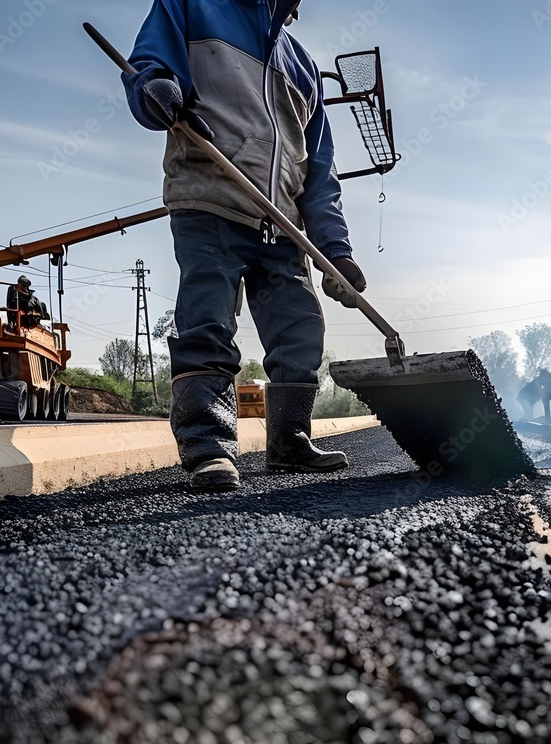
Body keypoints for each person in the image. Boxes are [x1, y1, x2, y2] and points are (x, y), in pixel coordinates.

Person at [123, 0, 367, 492]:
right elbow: (148, 69)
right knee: (208, 322)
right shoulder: (193, 8)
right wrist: (156, 90)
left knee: (300, 330)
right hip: (210, 196)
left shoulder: (303, 68)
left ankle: (290, 440)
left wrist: (335, 250)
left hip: (282, 223)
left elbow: (320, 174)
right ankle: (209, 448)